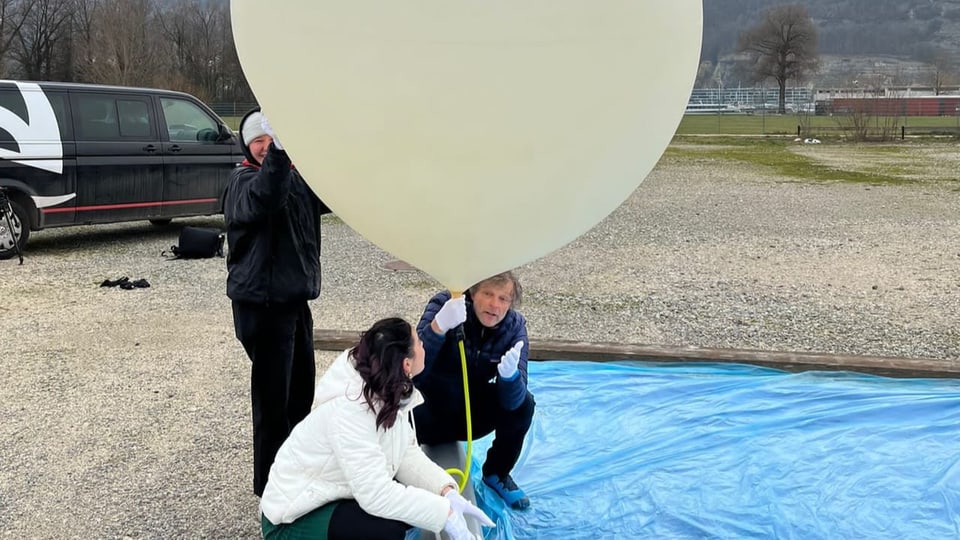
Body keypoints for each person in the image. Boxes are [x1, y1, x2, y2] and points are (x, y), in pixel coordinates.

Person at [260, 317, 494, 540]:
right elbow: (376, 495)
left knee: (408, 510)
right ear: (406, 364)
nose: (424, 345)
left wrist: (445, 490)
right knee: (385, 530)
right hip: (292, 518)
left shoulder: (388, 389)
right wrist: (444, 514)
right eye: (419, 342)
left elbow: (405, 454)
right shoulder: (349, 412)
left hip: (328, 494)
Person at [224, 107, 331, 497]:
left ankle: (295, 472)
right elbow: (267, 195)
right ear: (247, 146)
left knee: (300, 393)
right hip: (262, 306)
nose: (266, 147)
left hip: (294, 301)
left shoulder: (295, 178)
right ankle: (270, 490)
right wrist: (282, 153)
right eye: (259, 141)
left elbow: (333, 196)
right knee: (274, 403)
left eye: (272, 141)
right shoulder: (242, 181)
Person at [414, 271, 535, 510]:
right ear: (472, 292)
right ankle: (394, 472)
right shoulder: (446, 304)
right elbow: (412, 370)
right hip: (428, 412)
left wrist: (510, 378)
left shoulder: (514, 327)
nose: (494, 305)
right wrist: (437, 328)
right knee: (395, 404)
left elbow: (514, 403)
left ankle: (497, 473)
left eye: (503, 299)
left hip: (471, 419)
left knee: (526, 404)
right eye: (488, 294)